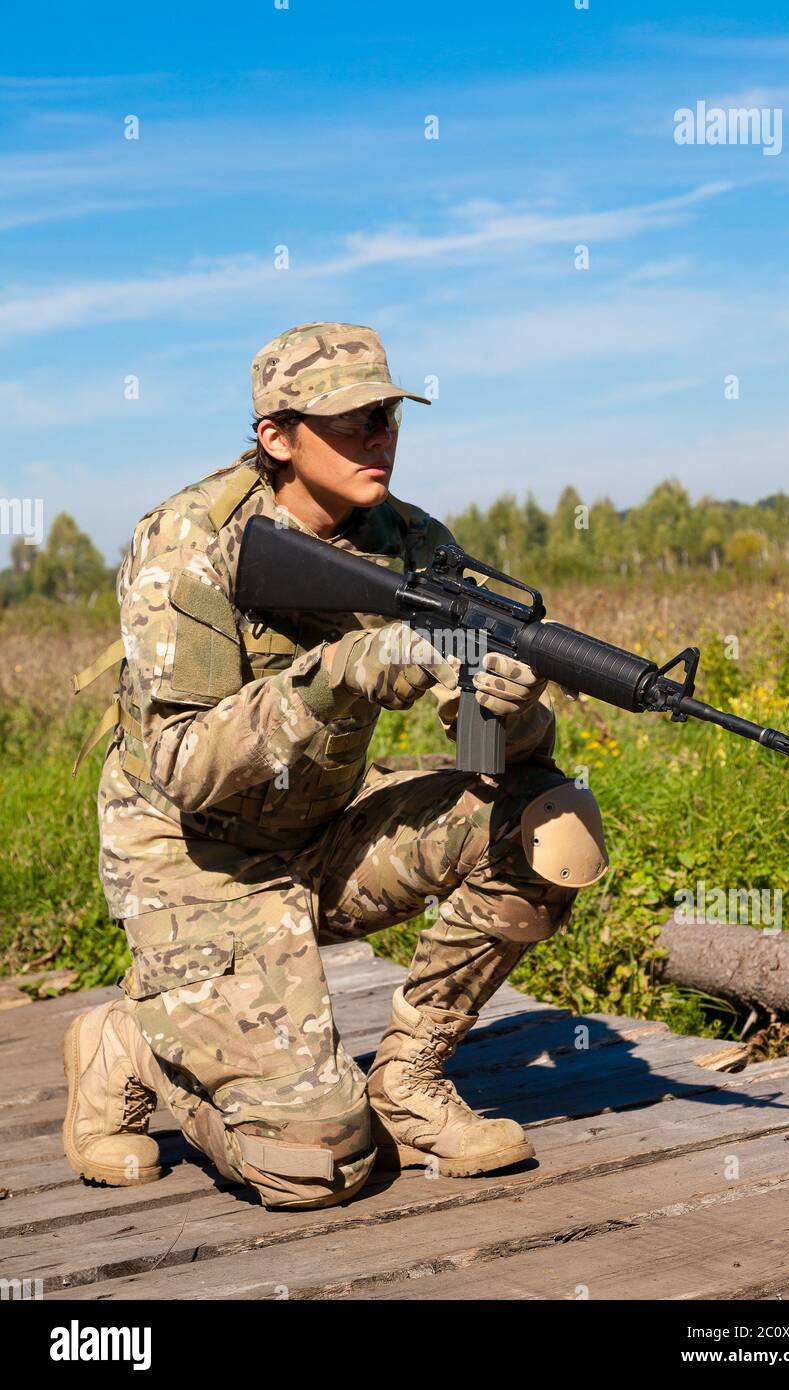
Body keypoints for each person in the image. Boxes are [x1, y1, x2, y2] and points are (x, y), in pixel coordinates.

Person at [63, 321, 608, 1210]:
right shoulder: (189, 546)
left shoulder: (412, 539)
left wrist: (507, 715)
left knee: (549, 816)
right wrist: (343, 671)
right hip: (193, 863)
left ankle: (409, 1080)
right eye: (352, 421)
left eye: (388, 417)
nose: (379, 439)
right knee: (318, 1166)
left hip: (318, 831)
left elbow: (480, 764)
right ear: (277, 438)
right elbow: (181, 766)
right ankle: (132, 1043)